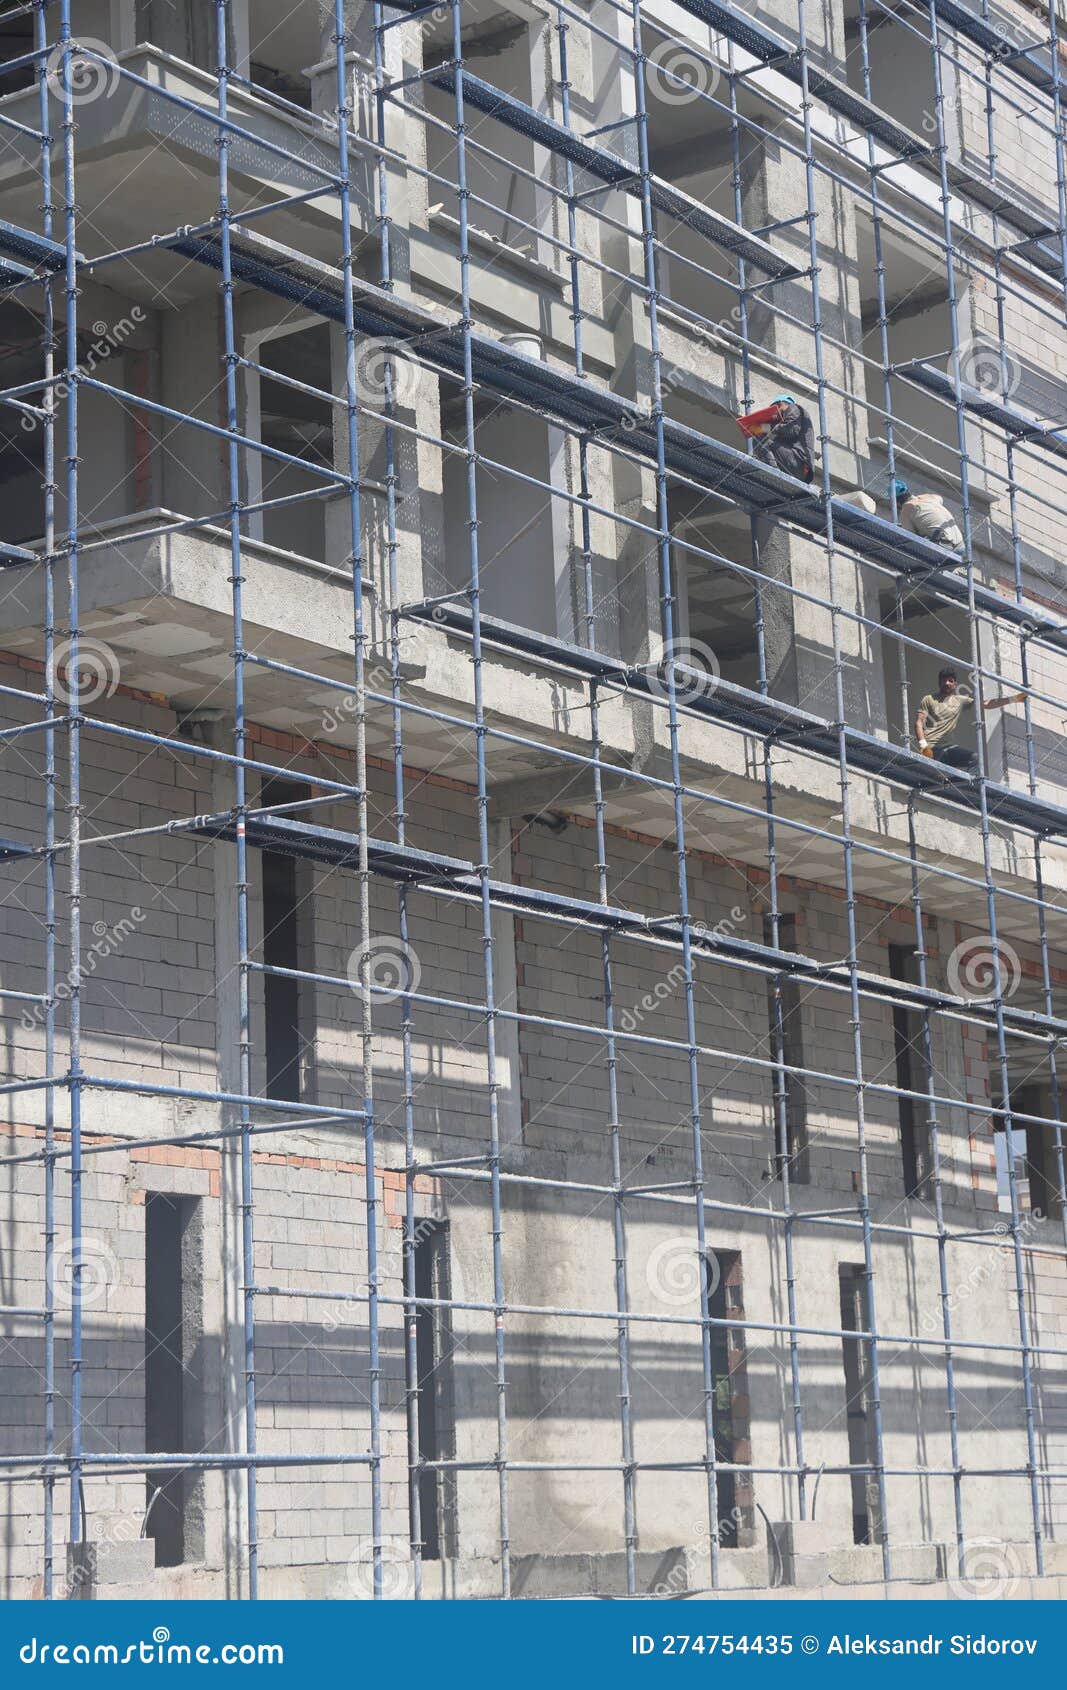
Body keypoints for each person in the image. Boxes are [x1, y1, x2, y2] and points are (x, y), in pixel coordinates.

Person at [914, 666, 1025, 772]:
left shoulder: (960, 700)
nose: (947, 683)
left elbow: (987, 704)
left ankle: (968, 787)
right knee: (937, 775)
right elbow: (919, 723)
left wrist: (1014, 699)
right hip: (932, 748)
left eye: (950, 680)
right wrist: (924, 746)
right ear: (939, 682)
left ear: (955, 684)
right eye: (944, 680)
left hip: (947, 748)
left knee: (975, 758)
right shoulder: (929, 699)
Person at [737, 394, 815, 483]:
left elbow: (792, 429)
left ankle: (773, 475)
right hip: (800, 471)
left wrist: (765, 427)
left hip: (798, 462)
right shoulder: (795, 422)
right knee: (763, 440)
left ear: (780, 404)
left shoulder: (793, 408)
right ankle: (774, 472)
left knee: (761, 439)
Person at [891, 479, 964, 553]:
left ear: (896, 502)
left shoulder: (906, 509)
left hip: (945, 547)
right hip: (960, 545)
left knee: (909, 550)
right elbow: (940, 498)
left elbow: (909, 537)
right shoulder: (929, 498)